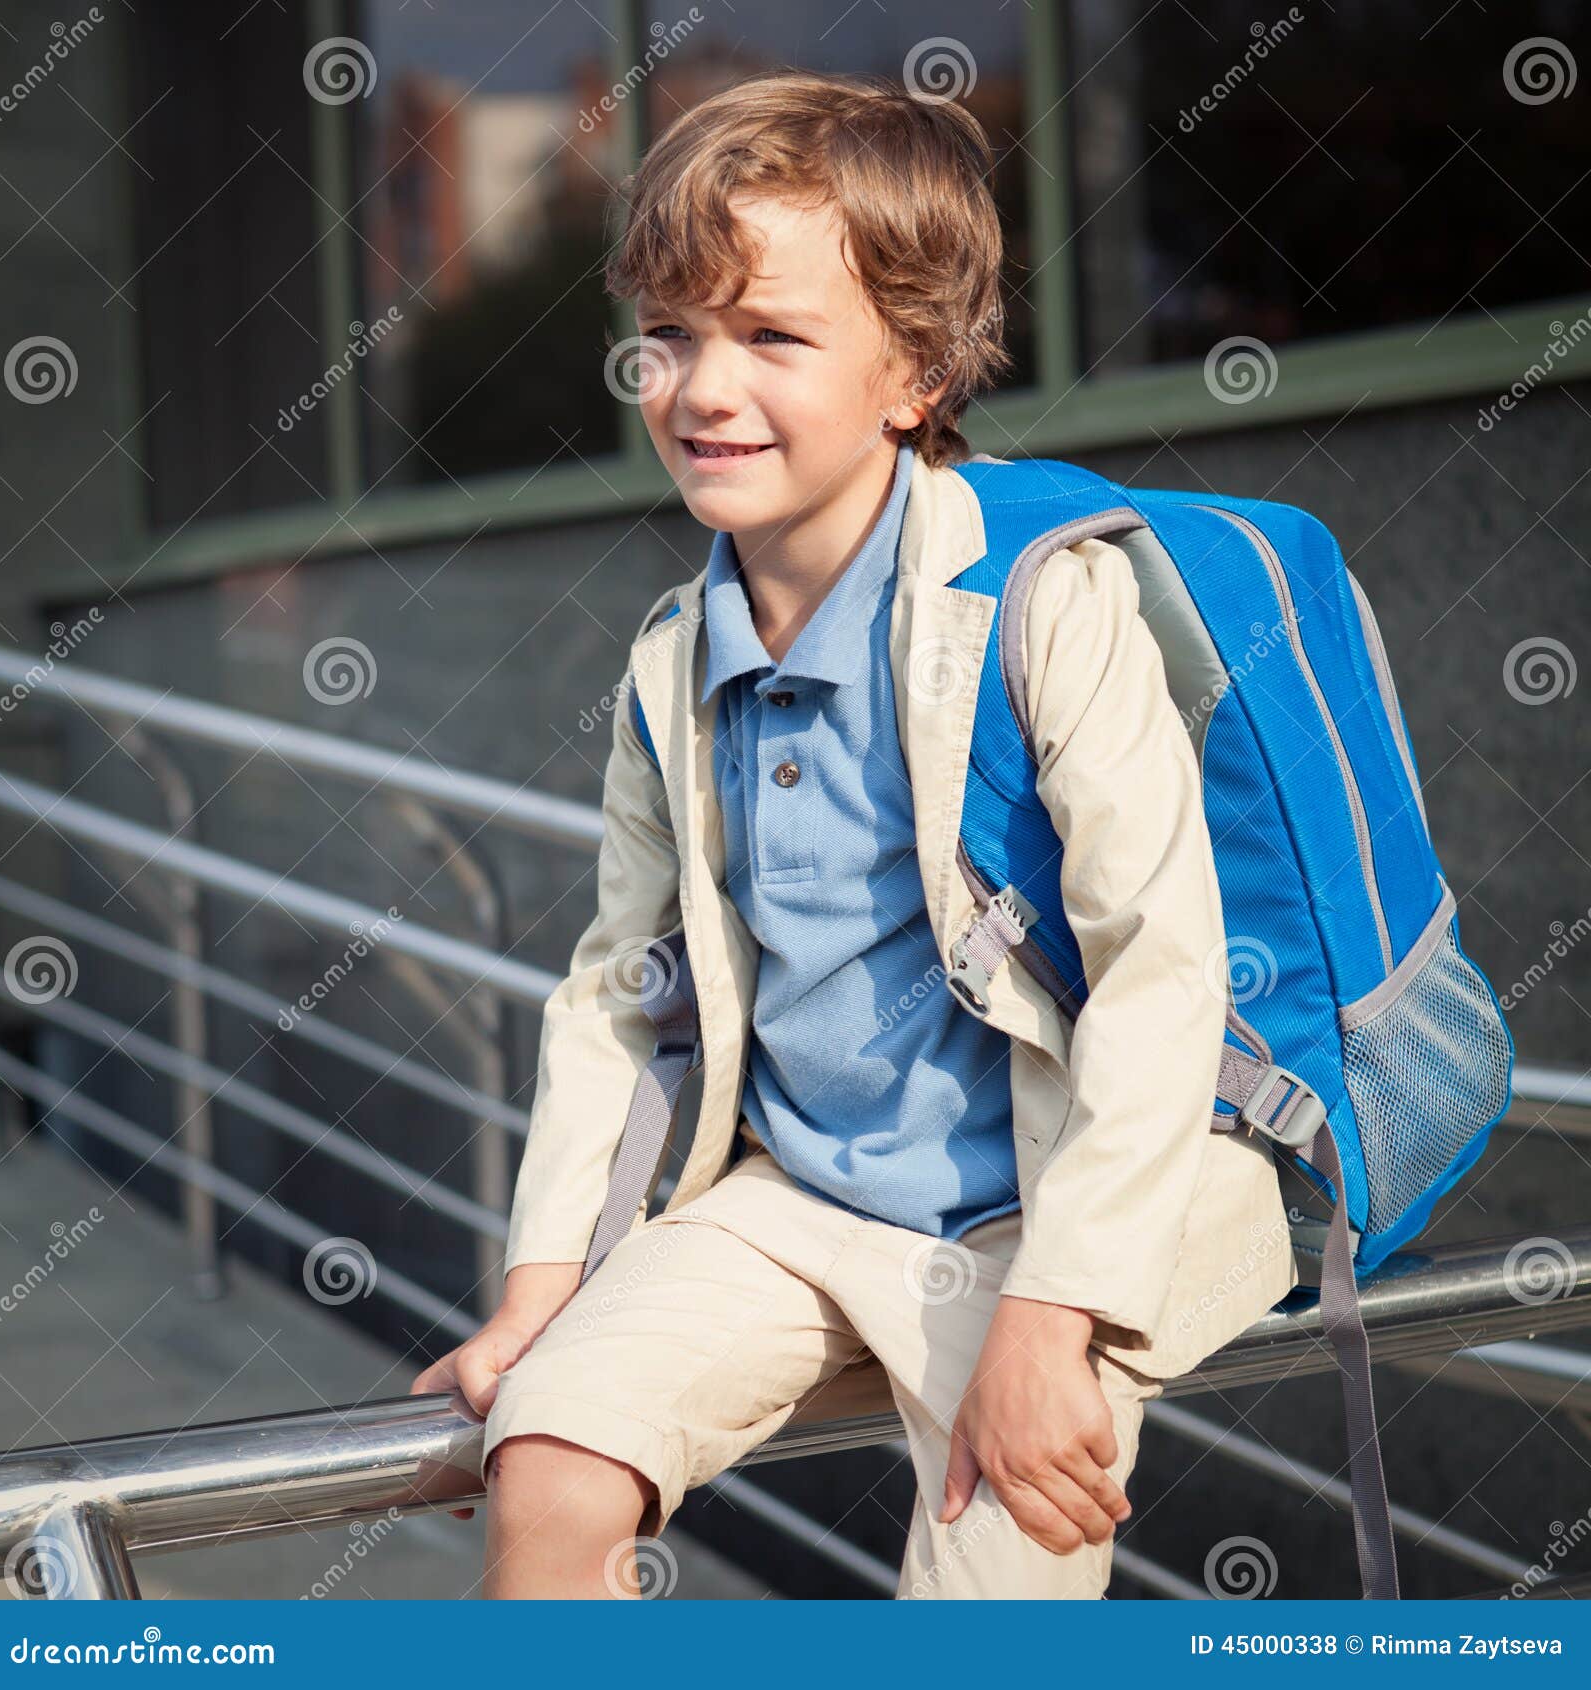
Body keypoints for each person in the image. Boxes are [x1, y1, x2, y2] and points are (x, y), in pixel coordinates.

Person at [414, 68, 1296, 1600]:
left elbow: (1164, 966)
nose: (702, 387)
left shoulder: (1041, 604)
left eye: (771, 336)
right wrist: (537, 1295)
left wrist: (1059, 1315)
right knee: (546, 1459)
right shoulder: (671, 662)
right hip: (791, 1197)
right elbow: (623, 991)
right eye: (673, 334)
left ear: (915, 373)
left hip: (1031, 1221)